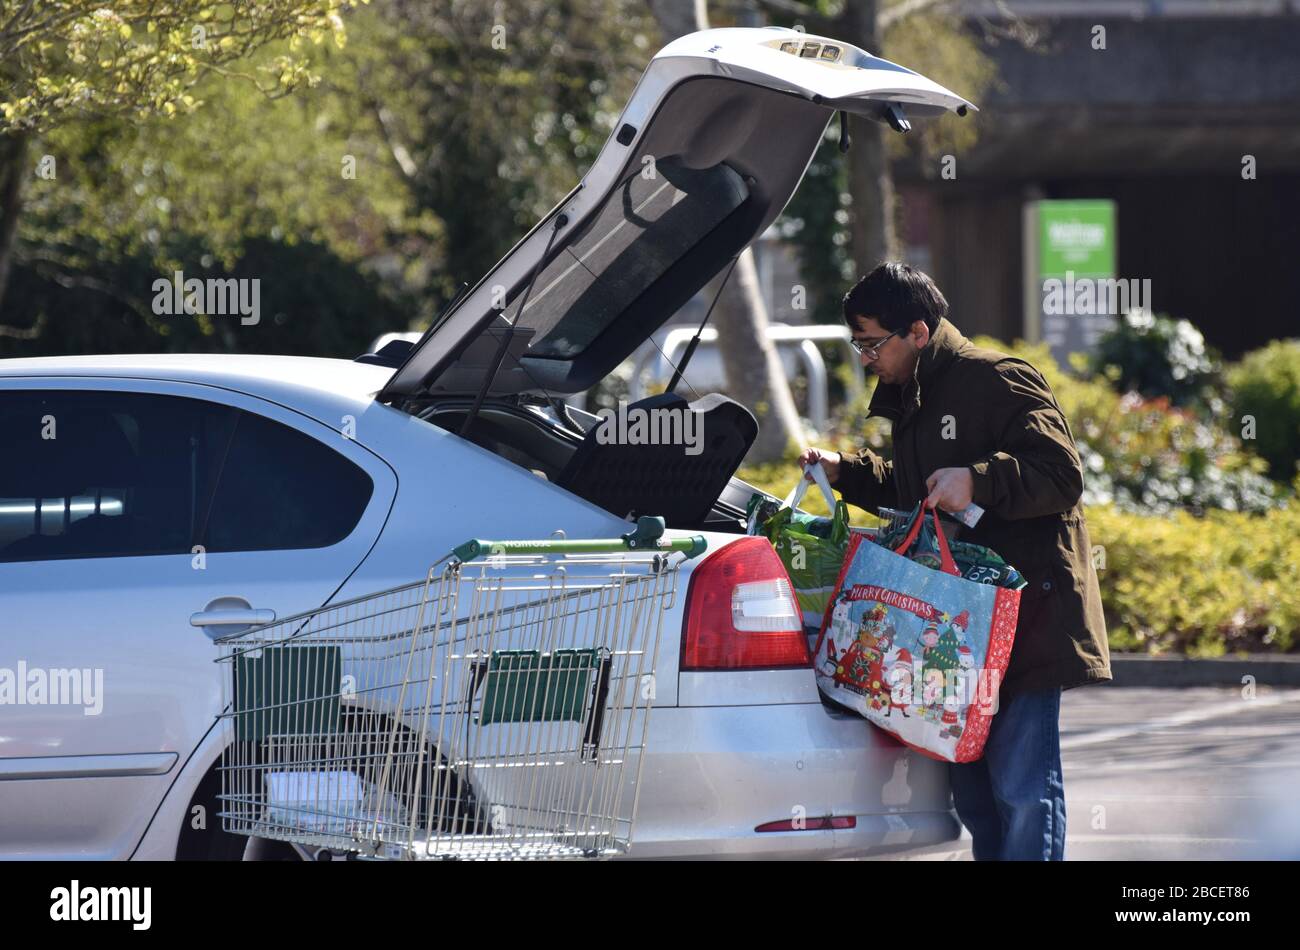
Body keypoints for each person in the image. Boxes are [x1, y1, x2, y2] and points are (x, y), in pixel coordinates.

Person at [800, 262, 1111, 861]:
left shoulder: (996, 378)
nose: (866, 357)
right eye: (858, 343)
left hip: (1023, 620)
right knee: (974, 795)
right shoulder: (915, 389)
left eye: (872, 342)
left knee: (1023, 789)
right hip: (958, 628)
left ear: (918, 330)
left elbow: (1062, 473)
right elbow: (919, 490)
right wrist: (847, 472)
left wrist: (979, 480)